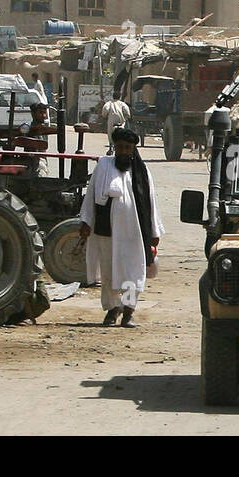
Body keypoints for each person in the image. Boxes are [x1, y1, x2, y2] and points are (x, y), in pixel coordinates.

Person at [78, 127, 164, 328]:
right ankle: (112, 310)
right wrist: (86, 221)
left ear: (133, 149)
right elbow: (91, 195)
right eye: (120, 148)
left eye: (127, 148)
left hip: (134, 232)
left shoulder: (142, 172)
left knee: (132, 272)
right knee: (108, 273)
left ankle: (128, 312)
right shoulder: (104, 165)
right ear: (114, 148)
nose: (123, 151)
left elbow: (151, 202)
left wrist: (154, 232)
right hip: (106, 230)